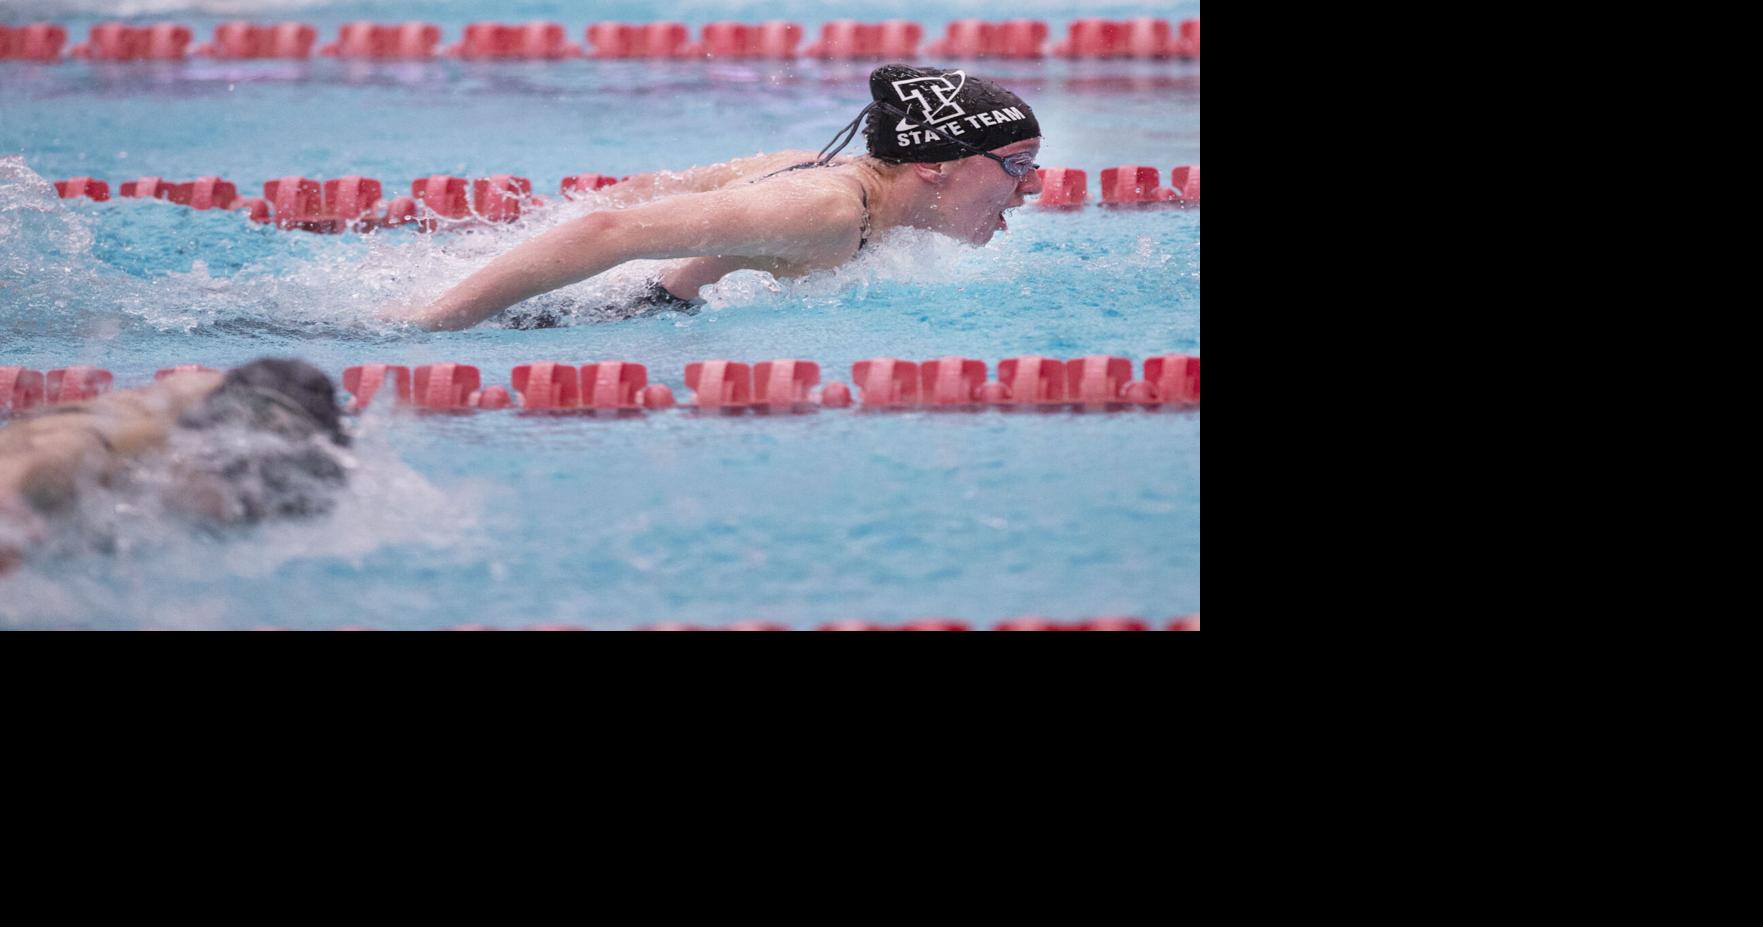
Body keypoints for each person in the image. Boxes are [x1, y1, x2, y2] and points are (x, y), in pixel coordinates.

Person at [388, 64, 1045, 331]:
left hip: (601, 297)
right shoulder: (825, 210)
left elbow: (661, 189)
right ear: (934, 164)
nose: (1033, 187)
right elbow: (606, 229)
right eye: (1017, 164)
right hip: (545, 309)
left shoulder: (823, 175)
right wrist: (429, 325)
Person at [0, 358, 350, 574]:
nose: (245, 512)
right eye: (248, 500)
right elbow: (37, 458)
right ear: (204, 453)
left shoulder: (199, 404)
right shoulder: (79, 450)